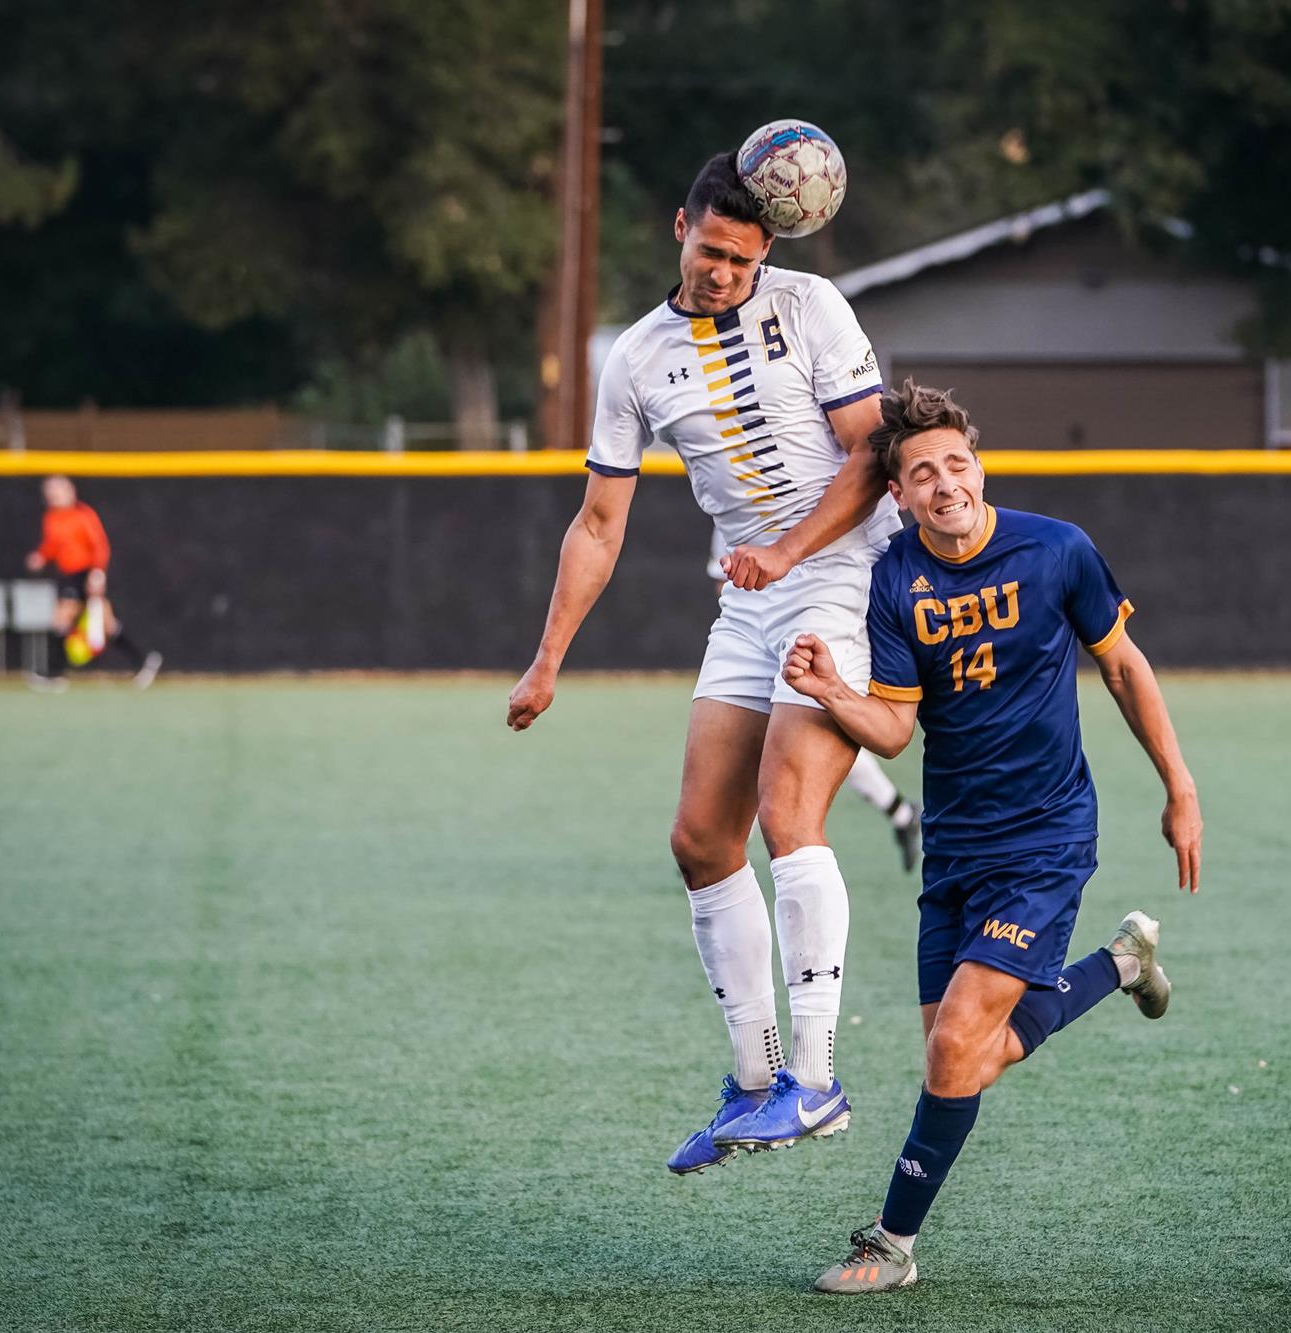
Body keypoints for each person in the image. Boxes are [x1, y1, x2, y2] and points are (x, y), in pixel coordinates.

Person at [505, 150, 894, 1173]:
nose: (722, 271)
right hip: (750, 598)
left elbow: (874, 455)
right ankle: (757, 1081)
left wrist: (789, 552)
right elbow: (598, 523)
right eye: (709, 249)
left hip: (841, 579)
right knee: (699, 840)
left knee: (787, 813)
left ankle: (816, 1082)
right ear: (679, 228)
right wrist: (546, 662)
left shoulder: (811, 306)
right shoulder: (634, 358)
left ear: (767, 251)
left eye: (741, 258)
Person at [778, 380, 1202, 1294]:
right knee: (971, 1055)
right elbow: (895, 729)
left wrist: (1180, 785)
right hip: (955, 847)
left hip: (1046, 838)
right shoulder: (895, 579)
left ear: (980, 467)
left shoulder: (1057, 549)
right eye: (923, 474)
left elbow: (1123, 668)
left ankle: (891, 1245)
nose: (945, 485)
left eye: (956, 464)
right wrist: (830, 691)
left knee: (955, 1047)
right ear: (898, 493)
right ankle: (1121, 963)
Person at [707, 530, 922, 871]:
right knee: (785, 749)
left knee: (810, 749)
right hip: (761, 638)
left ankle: (902, 813)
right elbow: (725, 583)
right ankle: (902, 814)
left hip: (820, 628)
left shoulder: (822, 510)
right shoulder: (731, 514)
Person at [24, 475, 163, 691]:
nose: (53, 495)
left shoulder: (83, 515)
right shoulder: (51, 518)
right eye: (50, 491)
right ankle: (143, 660)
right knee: (102, 624)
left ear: (70, 491)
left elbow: (100, 546)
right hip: (68, 575)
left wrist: (97, 573)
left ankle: (53, 673)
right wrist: (41, 556)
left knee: (66, 618)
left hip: (85, 574)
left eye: (58, 490)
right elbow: (52, 545)